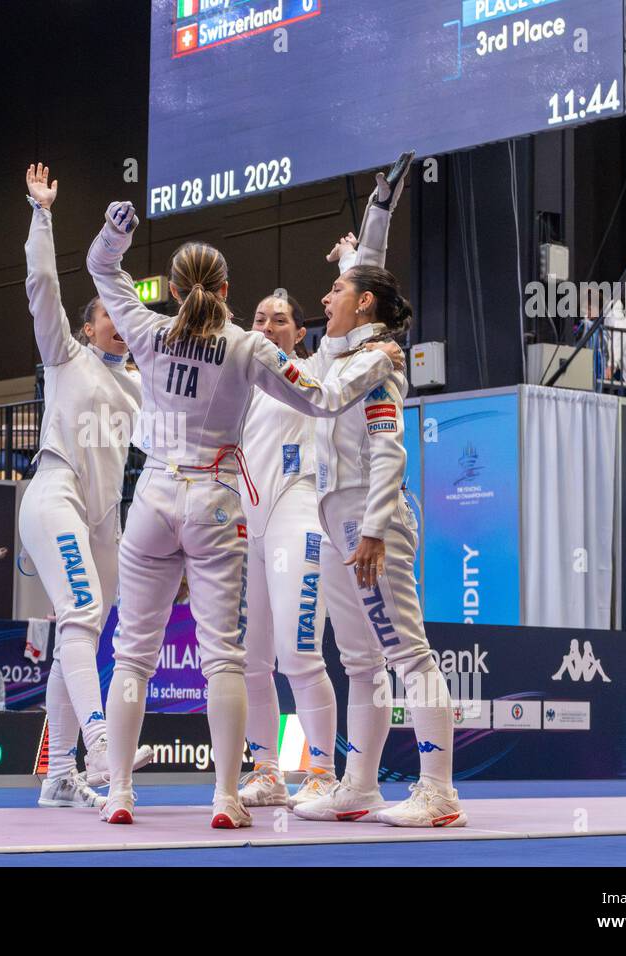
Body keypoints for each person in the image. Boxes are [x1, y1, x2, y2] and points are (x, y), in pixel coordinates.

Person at [86, 200, 403, 827]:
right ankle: (228, 798)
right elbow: (324, 397)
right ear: (228, 291)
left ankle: (120, 791)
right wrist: (377, 358)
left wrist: (117, 229)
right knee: (225, 657)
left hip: (150, 495)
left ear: (175, 291)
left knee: (131, 657)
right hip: (216, 503)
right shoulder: (246, 346)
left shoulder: (148, 332)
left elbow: (101, 267)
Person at [237, 156, 410, 809]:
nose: (266, 326)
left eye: (279, 319)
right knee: (252, 656)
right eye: (257, 319)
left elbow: (365, 283)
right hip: (246, 524)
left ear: (300, 330)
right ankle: (264, 770)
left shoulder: (319, 369)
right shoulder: (247, 382)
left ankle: (319, 769)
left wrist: (379, 212)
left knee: (299, 651)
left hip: (306, 520)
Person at [292, 262, 466, 828]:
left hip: (373, 521)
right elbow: (310, 381)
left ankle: (438, 791)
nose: (325, 296)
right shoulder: (344, 358)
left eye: (338, 289)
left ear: (365, 303)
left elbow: (389, 450)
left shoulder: (377, 362)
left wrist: (372, 529)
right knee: (360, 660)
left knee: (407, 653)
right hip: (338, 517)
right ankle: (359, 787)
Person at [15, 164, 151, 809]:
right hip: (55, 492)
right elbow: (41, 283)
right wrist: (43, 213)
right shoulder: (64, 357)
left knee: (83, 632)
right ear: (90, 323)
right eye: (109, 316)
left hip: (104, 516)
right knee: (81, 615)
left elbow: (185, 438)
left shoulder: (140, 386)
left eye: (127, 316)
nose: (121, 324)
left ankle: (57, 774)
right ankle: (99, 746)